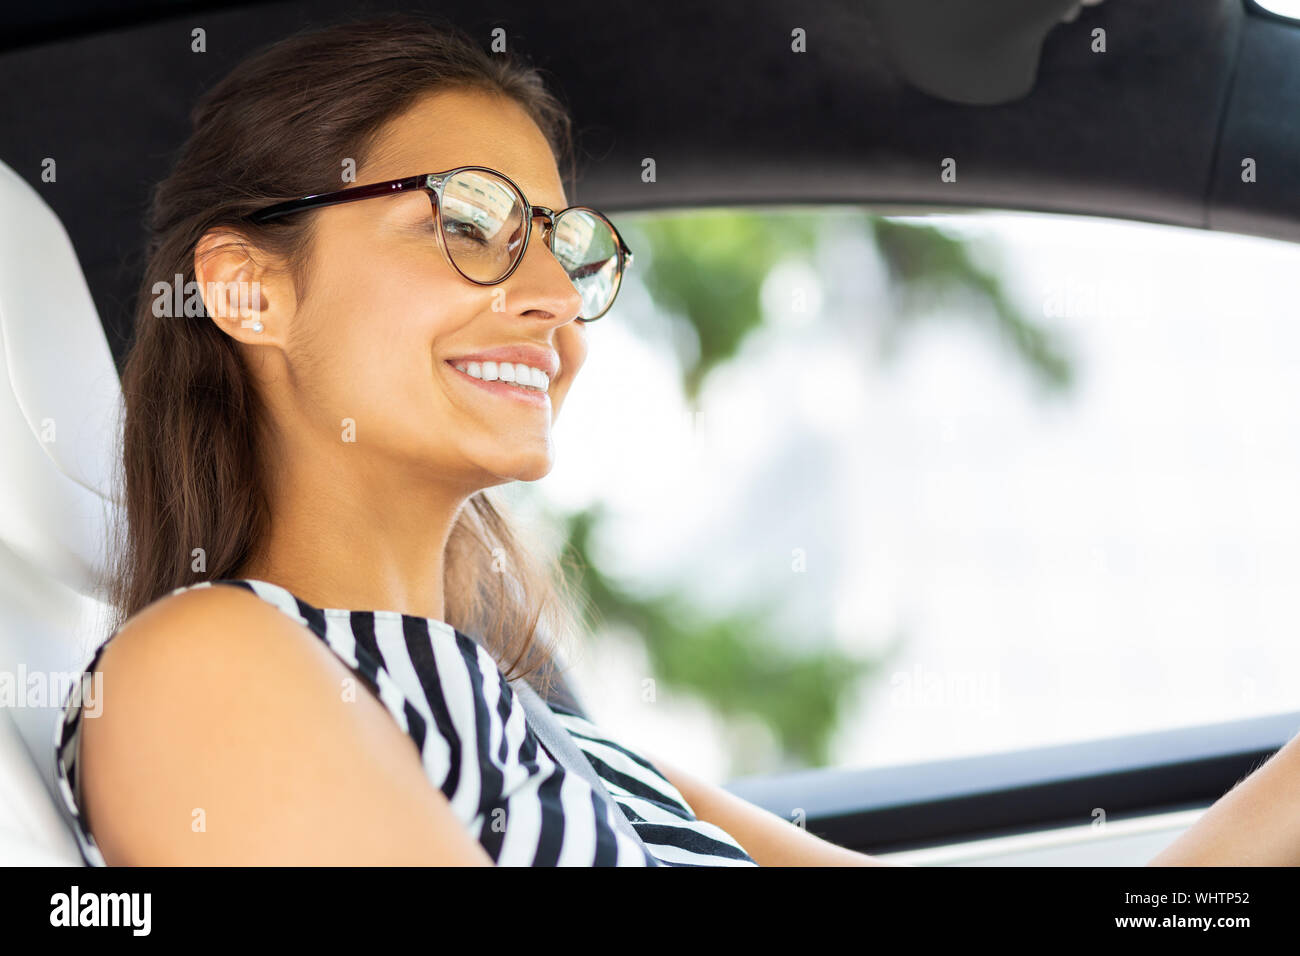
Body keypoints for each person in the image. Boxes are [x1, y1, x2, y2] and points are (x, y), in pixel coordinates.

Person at [53, 13, 894, 866]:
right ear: (248, 290)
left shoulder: (556, 731)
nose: (557, 297)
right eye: (463, 224)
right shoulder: (202, 670)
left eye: (564, 249)